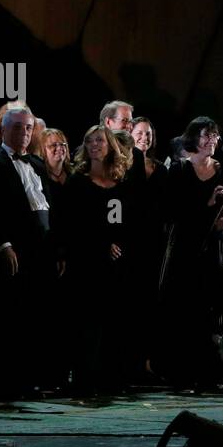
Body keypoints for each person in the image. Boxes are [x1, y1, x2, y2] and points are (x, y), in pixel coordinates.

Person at [0, 103, 57, 399]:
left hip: (41, 248)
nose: (24, 132)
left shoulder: (36, 163)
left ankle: (27, 381)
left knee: (34, 318)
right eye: (18, 127)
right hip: (13, 249)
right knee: (9, 318)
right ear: (4, 130)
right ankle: (6, 384)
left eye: (29, 127)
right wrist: (3, 244)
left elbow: (47, 205)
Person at [58, 125, 139, 393]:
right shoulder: (78, 182)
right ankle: (85, 379)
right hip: (87, 263)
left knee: (116, 320)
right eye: (90, 140)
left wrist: (119, 244)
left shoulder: (122, 183)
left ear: (110, 145)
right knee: (87, 322)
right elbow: (72, 224)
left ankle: (113, 377)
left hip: (118, 264)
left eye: (100, 140)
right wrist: (101, 244)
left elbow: (133, 221)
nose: (95, 145)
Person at [157, 117, 223, 388]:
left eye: (215, 135)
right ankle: (181, 373)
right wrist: (208, 204)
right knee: (184, 312)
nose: (212, 140)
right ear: (193, 138)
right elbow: (173, 213)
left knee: (209, 311)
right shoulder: (178, 170)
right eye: (206, 135)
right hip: (186, 251)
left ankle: (208, 374)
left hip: (213, 250)